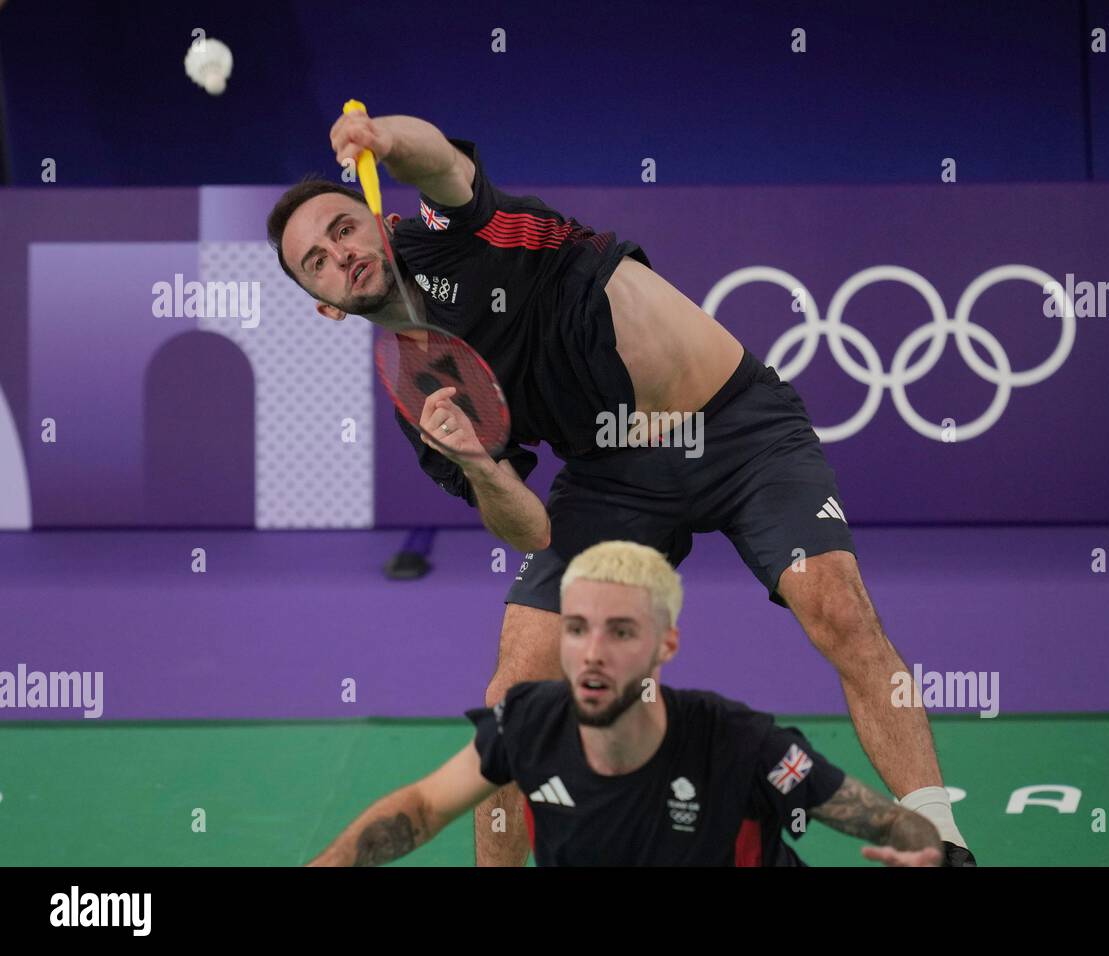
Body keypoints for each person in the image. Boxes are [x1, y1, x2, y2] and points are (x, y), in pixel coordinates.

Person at [268, 109, 975, 866]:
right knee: (515, 697)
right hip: (612, 473)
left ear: (380, 218)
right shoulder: (420, 391)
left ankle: (944, 841)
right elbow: (530, 531)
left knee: (836, 607)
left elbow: (436, 158)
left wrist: (381, 137)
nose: (339, 256)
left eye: (344, 229)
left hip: (737, 424)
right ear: (324, 306)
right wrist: (479, 463)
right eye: (316, 261)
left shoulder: (452, 229)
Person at [308, 541, 944, 867]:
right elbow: (420, 808)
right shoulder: (528, 725)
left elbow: (885, 822)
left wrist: (924, 848)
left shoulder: (740, 745)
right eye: (578, 628)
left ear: (664, 644)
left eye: (620, 632)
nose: (591, 654)